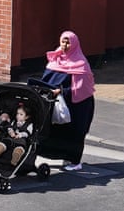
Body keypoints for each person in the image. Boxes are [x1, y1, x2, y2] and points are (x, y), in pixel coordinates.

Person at [39, 30, 96, 171]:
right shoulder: (55, 59)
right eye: (63, 41)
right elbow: (47, 79)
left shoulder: (81, 63)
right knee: (57, 131)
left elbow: (83, 88)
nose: (65, 44)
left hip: (78, 105)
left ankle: (75, 162)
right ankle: (60, 157)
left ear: (74, 44)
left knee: (75, 133)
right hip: (58, 103)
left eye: (68, 42)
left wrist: (62, 91)